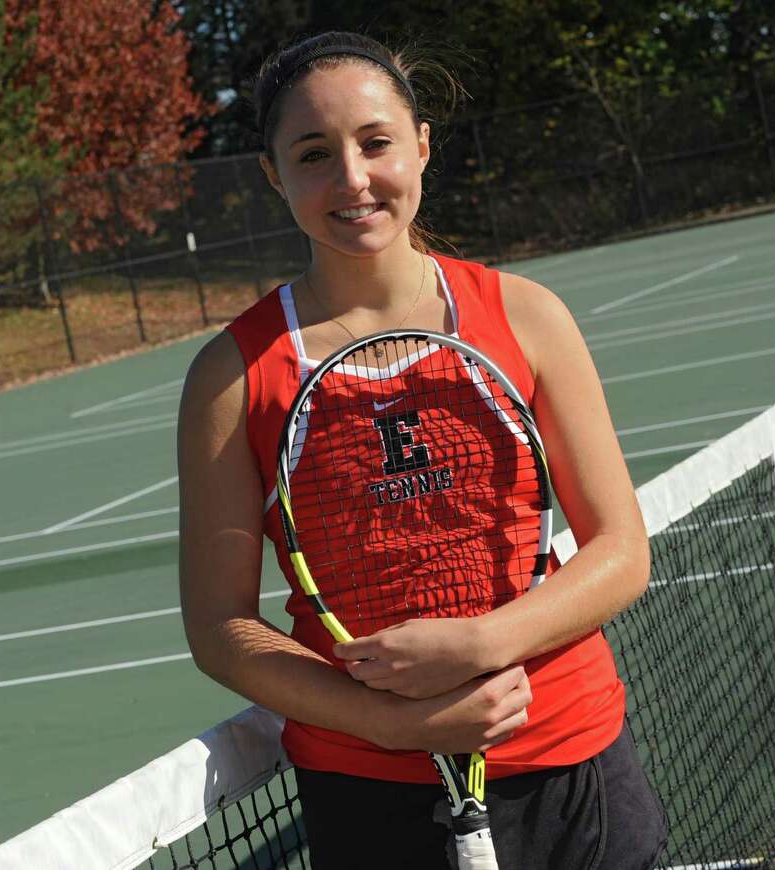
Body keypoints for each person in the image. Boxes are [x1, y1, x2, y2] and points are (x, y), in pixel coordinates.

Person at [178, 31, 665, 870]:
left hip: (575, 764)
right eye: (313, 154)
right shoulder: (233, 376)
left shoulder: (526, 315)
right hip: (372, 798)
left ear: (422, 145)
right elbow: (222, 627)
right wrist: (392, 724)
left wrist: (482, 644)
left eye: (375, 143)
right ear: (272, 174)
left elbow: (621, 552)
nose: (353, 179)